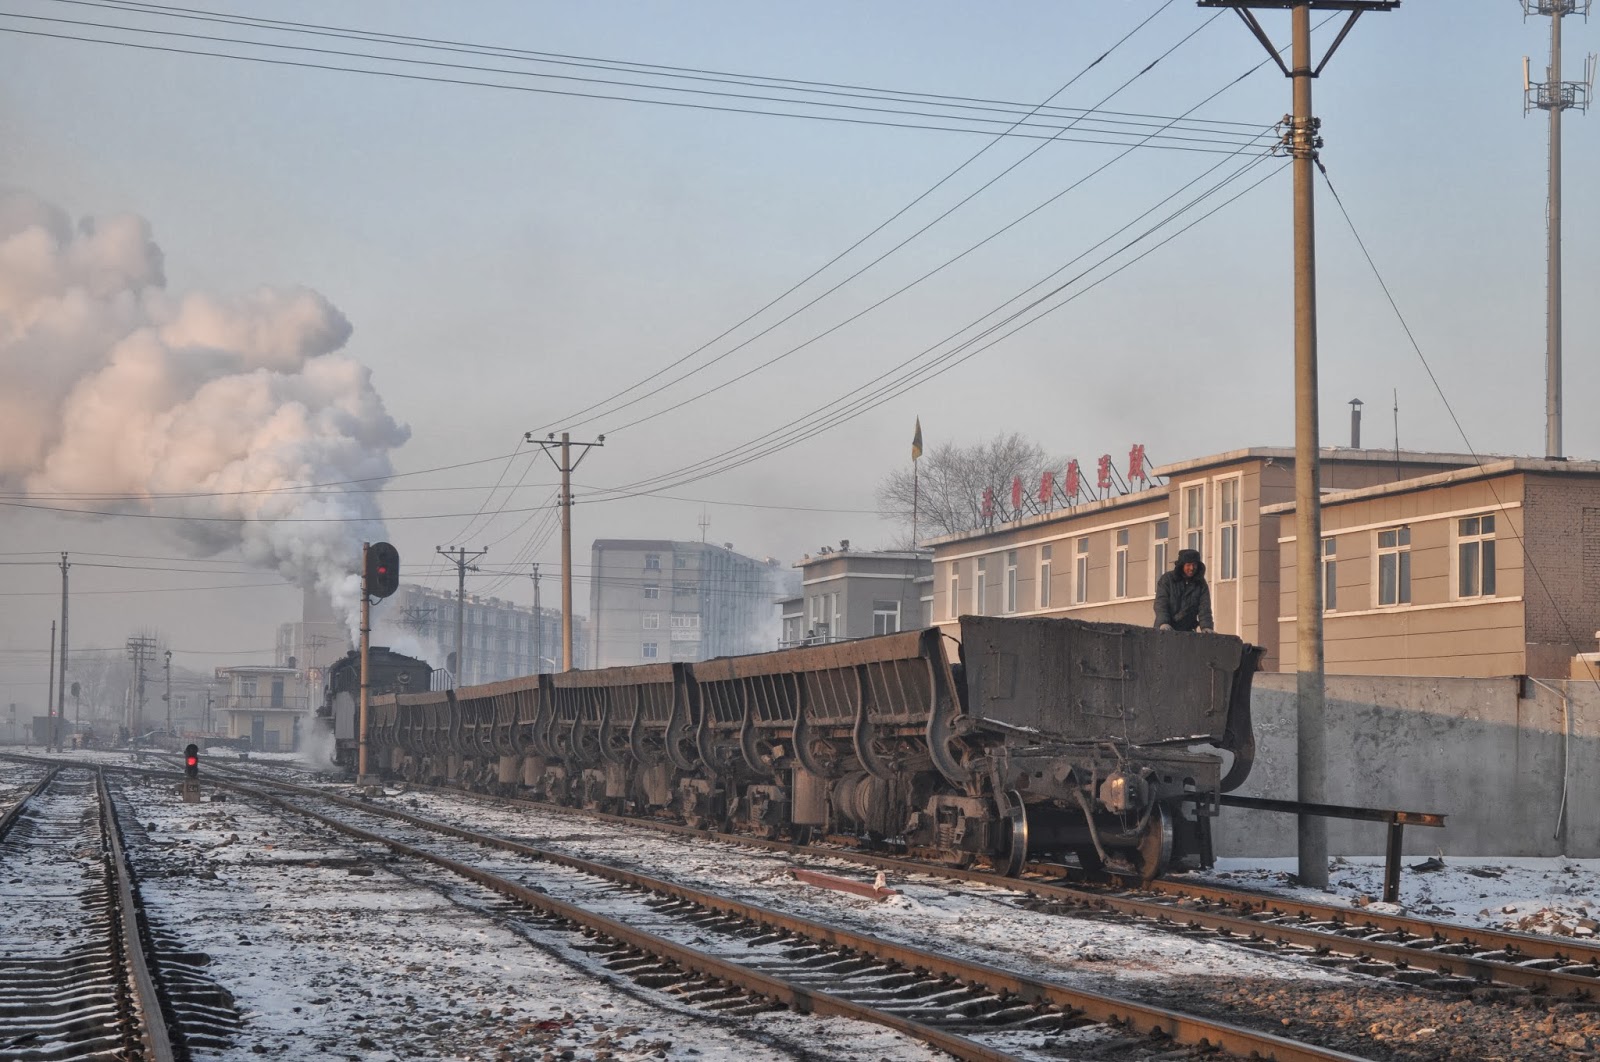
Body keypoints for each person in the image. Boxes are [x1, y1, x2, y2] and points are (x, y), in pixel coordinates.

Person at [1154, 548, 1213, 633]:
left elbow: (1204, 607)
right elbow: (1161, 603)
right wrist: (1163, 623)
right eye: (1188, 565)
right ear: (1182, 565)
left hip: (1187, 631)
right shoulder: (1167, 580)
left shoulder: (1200, 584)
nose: (1192, 568)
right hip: (1165, 630)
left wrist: (1206, 627)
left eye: (1194, 565)